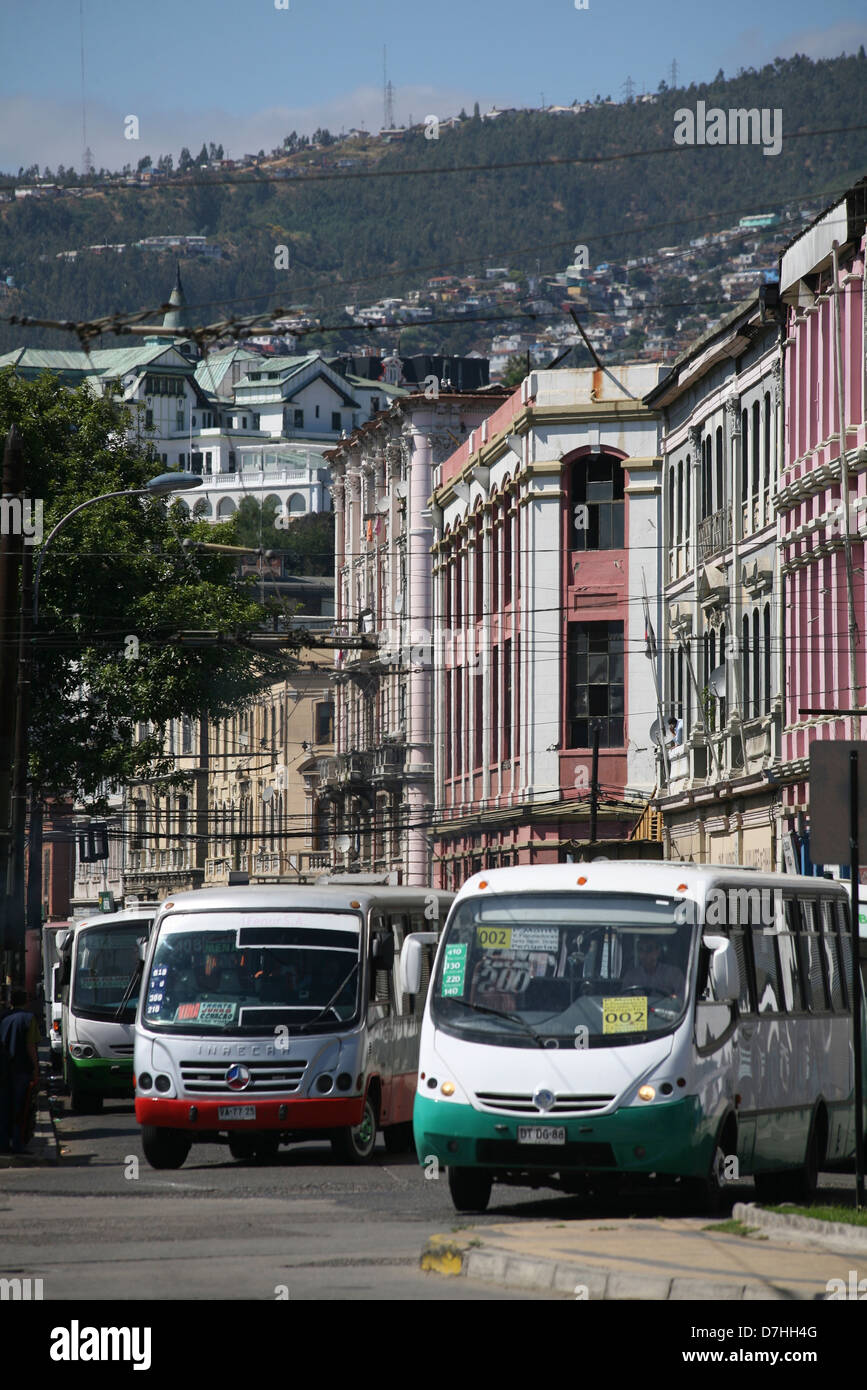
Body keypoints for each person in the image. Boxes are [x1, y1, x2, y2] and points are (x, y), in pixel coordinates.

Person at [0, 988, 40, 1154]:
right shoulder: (29, 1019)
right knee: (20, 1108)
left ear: (11, 1002)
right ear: (26, 1002)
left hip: (3, 1070)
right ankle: (17, 1144)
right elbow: (30, 1046)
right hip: (21, 1069)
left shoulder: (3, 1017)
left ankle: (3, 1144)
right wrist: (36, 1068)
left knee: (3, 1108)